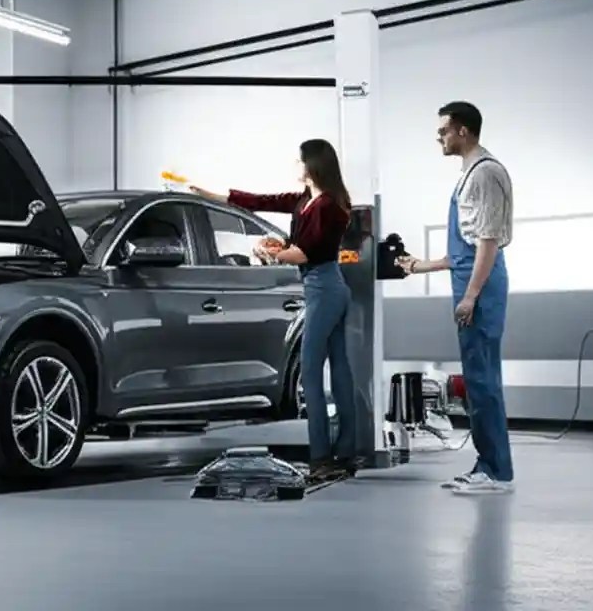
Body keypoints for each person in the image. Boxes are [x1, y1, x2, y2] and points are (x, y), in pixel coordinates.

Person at [190, 139, 356, 482]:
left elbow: (306, 253)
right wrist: (209, 194)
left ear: (312, 166)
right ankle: (346, 450)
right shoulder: (305, 201)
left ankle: (322, 457)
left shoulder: (327, 206)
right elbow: (259, 201)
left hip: (324, 286)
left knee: (310, 370)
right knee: (338, 367)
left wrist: (270, 253)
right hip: (325, 286)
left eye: (299, 161)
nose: (296, 166)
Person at [396, 101, 515, 495]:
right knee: (477, 379)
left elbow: (488, 243)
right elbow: (462, 249)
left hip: (479, 284)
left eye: (444, 130)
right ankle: (488, 466)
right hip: (469, 277)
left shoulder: (486, 174)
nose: (439, 137)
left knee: (482, 381)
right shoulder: (468, 175)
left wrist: (471, 296)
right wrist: (419, 266)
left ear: (463, 131)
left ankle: (494, 472)